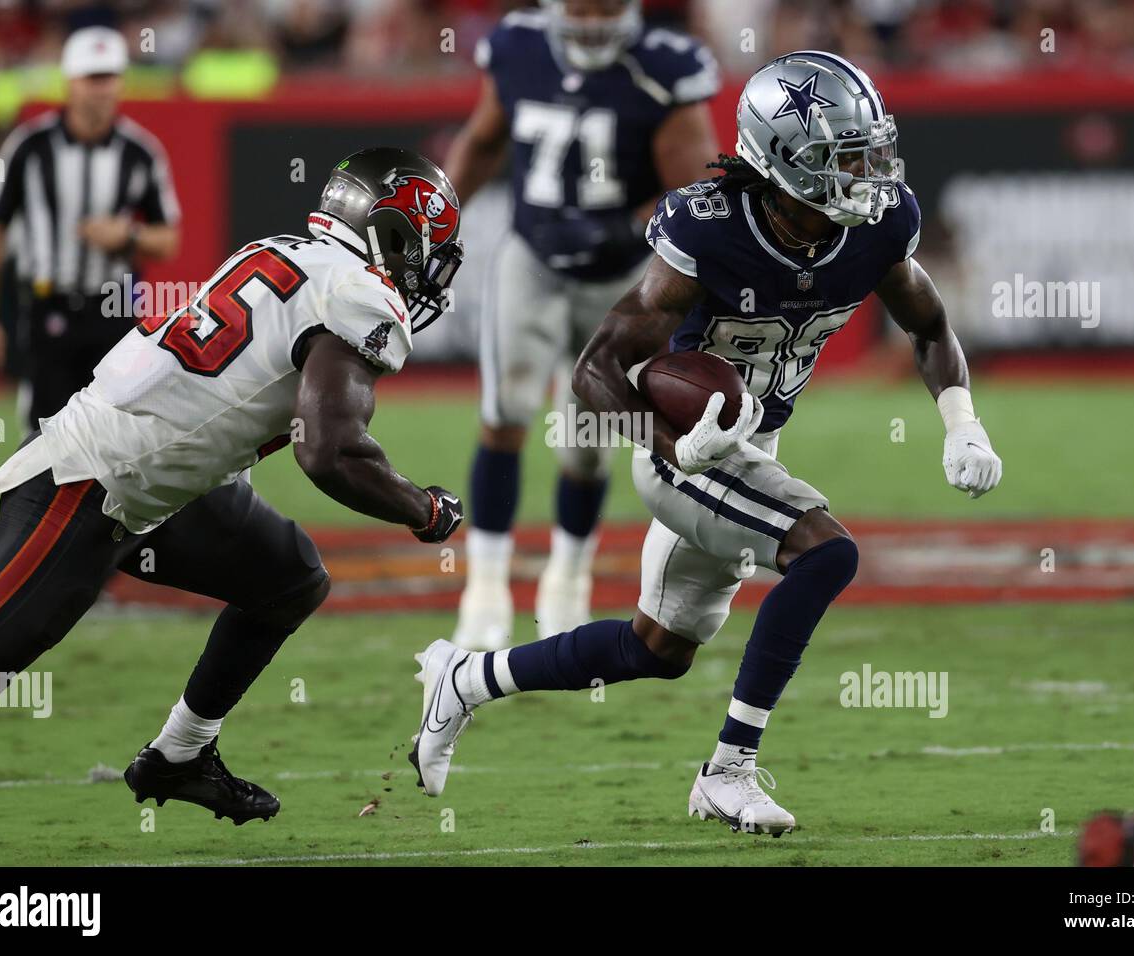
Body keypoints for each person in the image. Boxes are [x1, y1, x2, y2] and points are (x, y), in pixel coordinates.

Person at [408, 52, 1002, 835]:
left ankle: (467, 678)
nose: (868, 173)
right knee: (826, 554)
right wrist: (670, 442)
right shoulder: (712, 227)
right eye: (843, 157)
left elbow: (927, 325)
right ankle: (729, 772)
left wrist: (962, 422)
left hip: (752, 451)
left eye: (871, 150)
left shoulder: (878, 227)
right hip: (686, 450)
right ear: (782, 161)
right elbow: (594, 372)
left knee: (657, 648)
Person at [0, 148, 465, 825]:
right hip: (88, 480)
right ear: (393, 233)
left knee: (288, 578)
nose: (428, 271)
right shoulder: (356, 294)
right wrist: (422, 508)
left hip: (156, 489)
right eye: (427, 250)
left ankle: (182, 754)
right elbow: (330, 452)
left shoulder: (286, 251)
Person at [444, 0, 721, 648]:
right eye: (580, 5)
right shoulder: (516, 47)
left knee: (588, 440)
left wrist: (624, 224)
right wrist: (442, 214)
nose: (592, 19)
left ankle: (568, 576)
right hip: (531, 261)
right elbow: (484, 140)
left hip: (618, 280)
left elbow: (696, 189)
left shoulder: (663, 68)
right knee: (505, 411)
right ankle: (484, 586)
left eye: (605, 6)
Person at [0, 26, 181, 430]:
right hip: (48, 306)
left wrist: (128, 235)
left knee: (117, 435)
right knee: (45, 436)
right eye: (92, 78)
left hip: (113, 308)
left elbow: (168, 240)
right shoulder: (30, 148)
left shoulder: (140, 153)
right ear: (70, 81)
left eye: (110, 77)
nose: (102, 89)